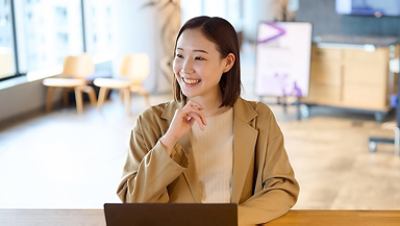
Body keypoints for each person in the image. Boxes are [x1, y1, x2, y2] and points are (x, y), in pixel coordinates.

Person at [117, 16, 299, 225]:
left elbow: (283, 188)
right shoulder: (149, 122)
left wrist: (229, 220)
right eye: (179, 55)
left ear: (228, 62)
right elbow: (132, 202)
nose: (185, 68)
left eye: (199, 58)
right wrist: (169, 140)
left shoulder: (260, 118)